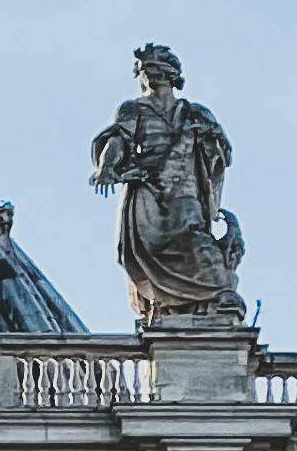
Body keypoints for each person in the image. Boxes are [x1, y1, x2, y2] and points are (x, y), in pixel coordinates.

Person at [89, 42, 242, 326]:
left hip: (185, 189)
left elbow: (224, 153)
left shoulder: (195, 113)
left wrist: (209, 140)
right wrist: (106, 167)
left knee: (195, 241)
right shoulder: (133, 109)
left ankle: (217, 293)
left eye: (153, 68)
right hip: (147, 187)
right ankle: (163, 304)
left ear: (170, 73)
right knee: (150, 247)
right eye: (143, 70)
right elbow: (118, 140)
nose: (147, 74)